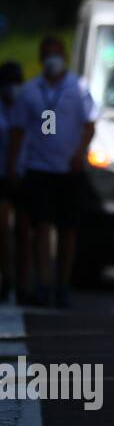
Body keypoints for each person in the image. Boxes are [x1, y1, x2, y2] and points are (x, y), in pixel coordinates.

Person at [7, 36, 100, 308]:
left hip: (68, 169)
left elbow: (90, 124)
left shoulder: (78, 88)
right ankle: (44, 283)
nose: (52, 60)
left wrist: (78, 153)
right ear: (40, 59)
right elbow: (18, 131)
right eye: (47, 54)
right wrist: (13, 165)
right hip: (38, 169)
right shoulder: (29, 91)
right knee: (42, 227)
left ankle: (63, 282)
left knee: (68, 229)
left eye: (56, 54)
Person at [0, 61, 24, 301]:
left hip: (29, 172)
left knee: (27, 229)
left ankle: (27, 280)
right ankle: (7, 276)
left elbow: (50, 131)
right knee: (3, 227)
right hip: (4, 175)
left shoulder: (34, 102)